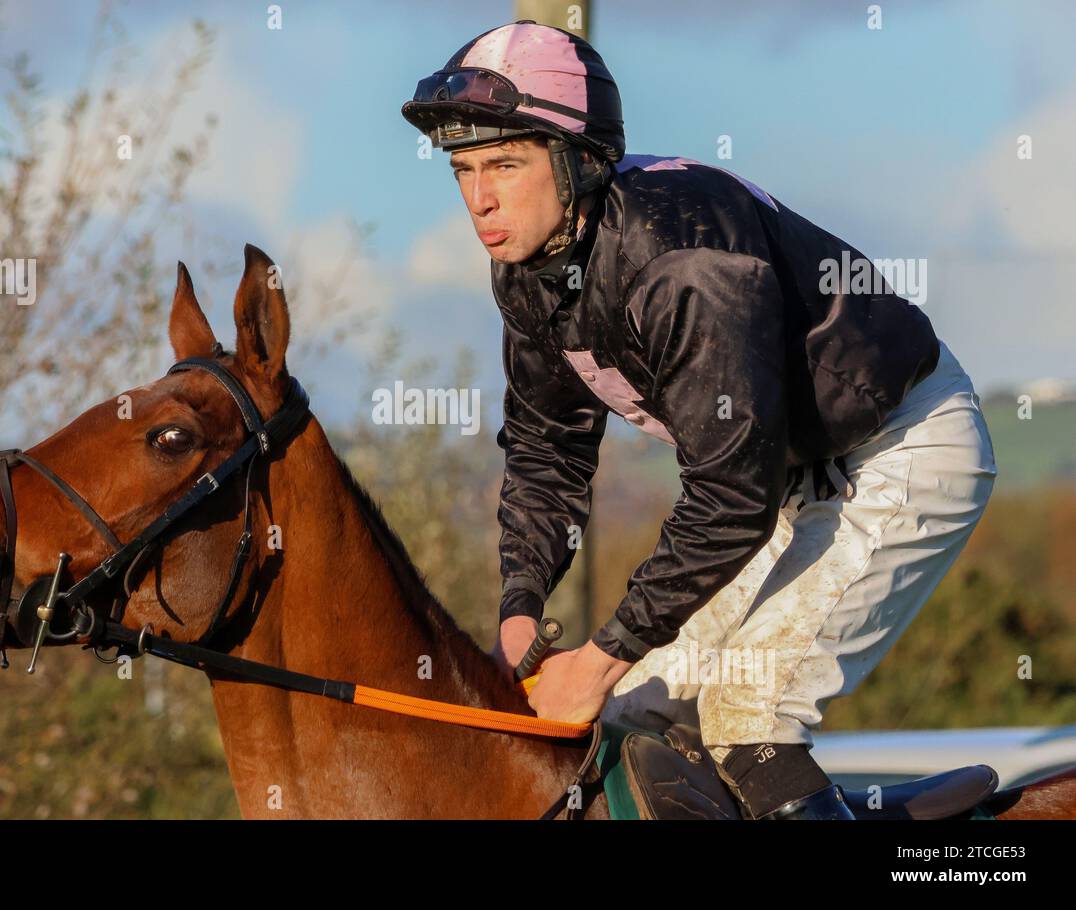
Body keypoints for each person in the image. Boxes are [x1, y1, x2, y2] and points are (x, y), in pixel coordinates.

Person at [401, 20, 997, 820]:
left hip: (905, 448)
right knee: (635, 716)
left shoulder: (684, 261)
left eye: (505, 164)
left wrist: (604, 652)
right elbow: (549, 452)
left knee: (748, 717)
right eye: (464, 168)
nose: (479, 198)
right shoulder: (528, 273)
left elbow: (728, 497)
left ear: (579, 162)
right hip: (787, 483)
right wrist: (519, 606)